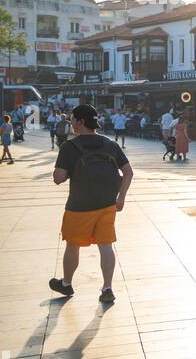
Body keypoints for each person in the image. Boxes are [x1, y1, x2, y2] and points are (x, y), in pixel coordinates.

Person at [49, 105, 134, 304]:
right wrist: (121, 198)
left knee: (73, 245)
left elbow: (58, 178)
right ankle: (107, 288)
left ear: (80, 122)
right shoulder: (110, 144)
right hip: (107, 204)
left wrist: (63, 172)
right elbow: (128, 172)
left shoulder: (69, 147)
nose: (70, 123)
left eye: (72, 119)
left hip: (79, 205)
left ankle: (67, 284)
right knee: (106, 246)